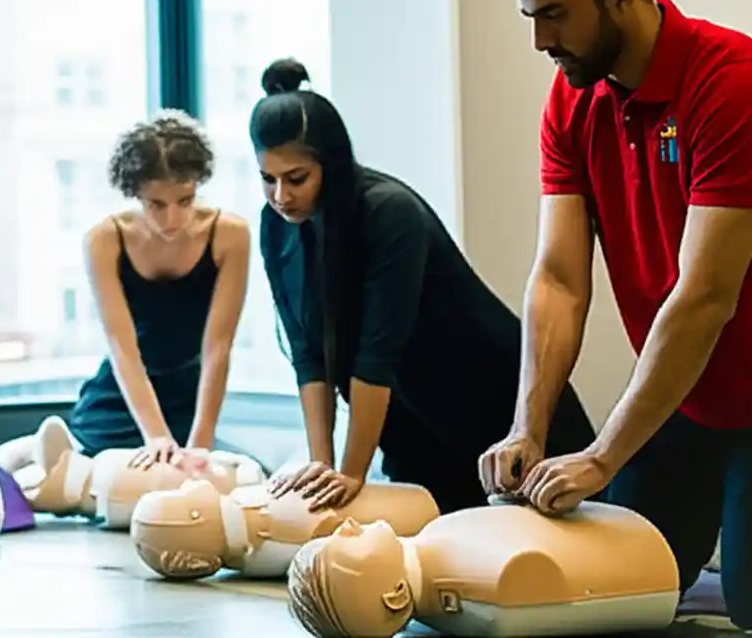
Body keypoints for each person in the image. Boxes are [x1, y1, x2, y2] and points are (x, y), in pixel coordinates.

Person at [484, 0, 752, 633]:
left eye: (555, 15)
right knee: (613, 590)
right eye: (531, 17)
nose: (540, 42)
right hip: (684, 400)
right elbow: (558, 278)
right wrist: (532, 424)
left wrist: (600, 455)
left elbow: (704, 298)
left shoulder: (737, 84)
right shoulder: (572, 98)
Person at [254, 59, 596, 516]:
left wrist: (352, 472)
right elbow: (308, 356)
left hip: (492, 402)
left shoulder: (388, 213)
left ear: (330, 165)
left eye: (296, 178)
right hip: (411, 420)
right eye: (267, 179)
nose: (281, 196)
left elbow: (377, 354)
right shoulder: (275, 227)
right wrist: (323, 465)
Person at [68, 109, 251, 467]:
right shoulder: (105, 240)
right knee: (97, 481)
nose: (172, 219)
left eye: (185, 200)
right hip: (120, 399)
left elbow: (217, 348)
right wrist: (155, 436)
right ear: (134, 192)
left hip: (188, 399)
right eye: (157, 205)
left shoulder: (230, 234)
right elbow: (123, 348)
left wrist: (200, 441)